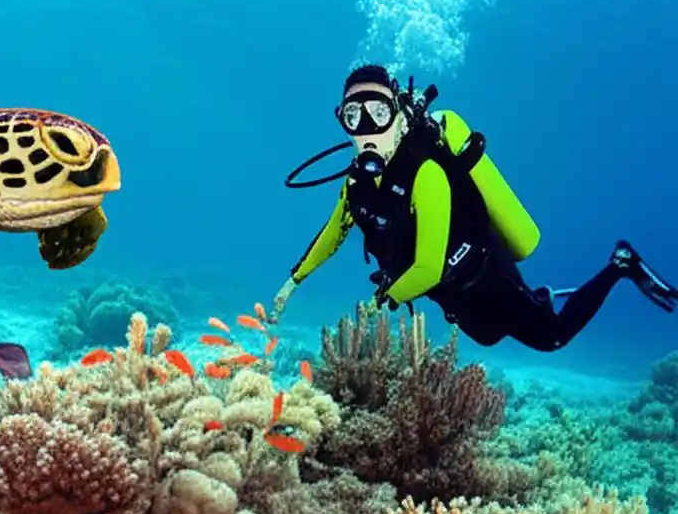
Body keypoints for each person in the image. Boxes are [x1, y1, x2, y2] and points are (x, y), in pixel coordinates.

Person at [271, 63, 676, 351]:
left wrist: (381, 302)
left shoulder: (426, 172)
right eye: (354, 117)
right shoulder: (355, 185)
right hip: (451, 295)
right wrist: (293, 282)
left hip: (485, 275)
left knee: (551, 337)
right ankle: (538, 298)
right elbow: (333, 234)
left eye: (379, 113)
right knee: (488, 337)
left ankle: (620, 264)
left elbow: (428, 267)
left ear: (397, 116)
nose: (367, 130)